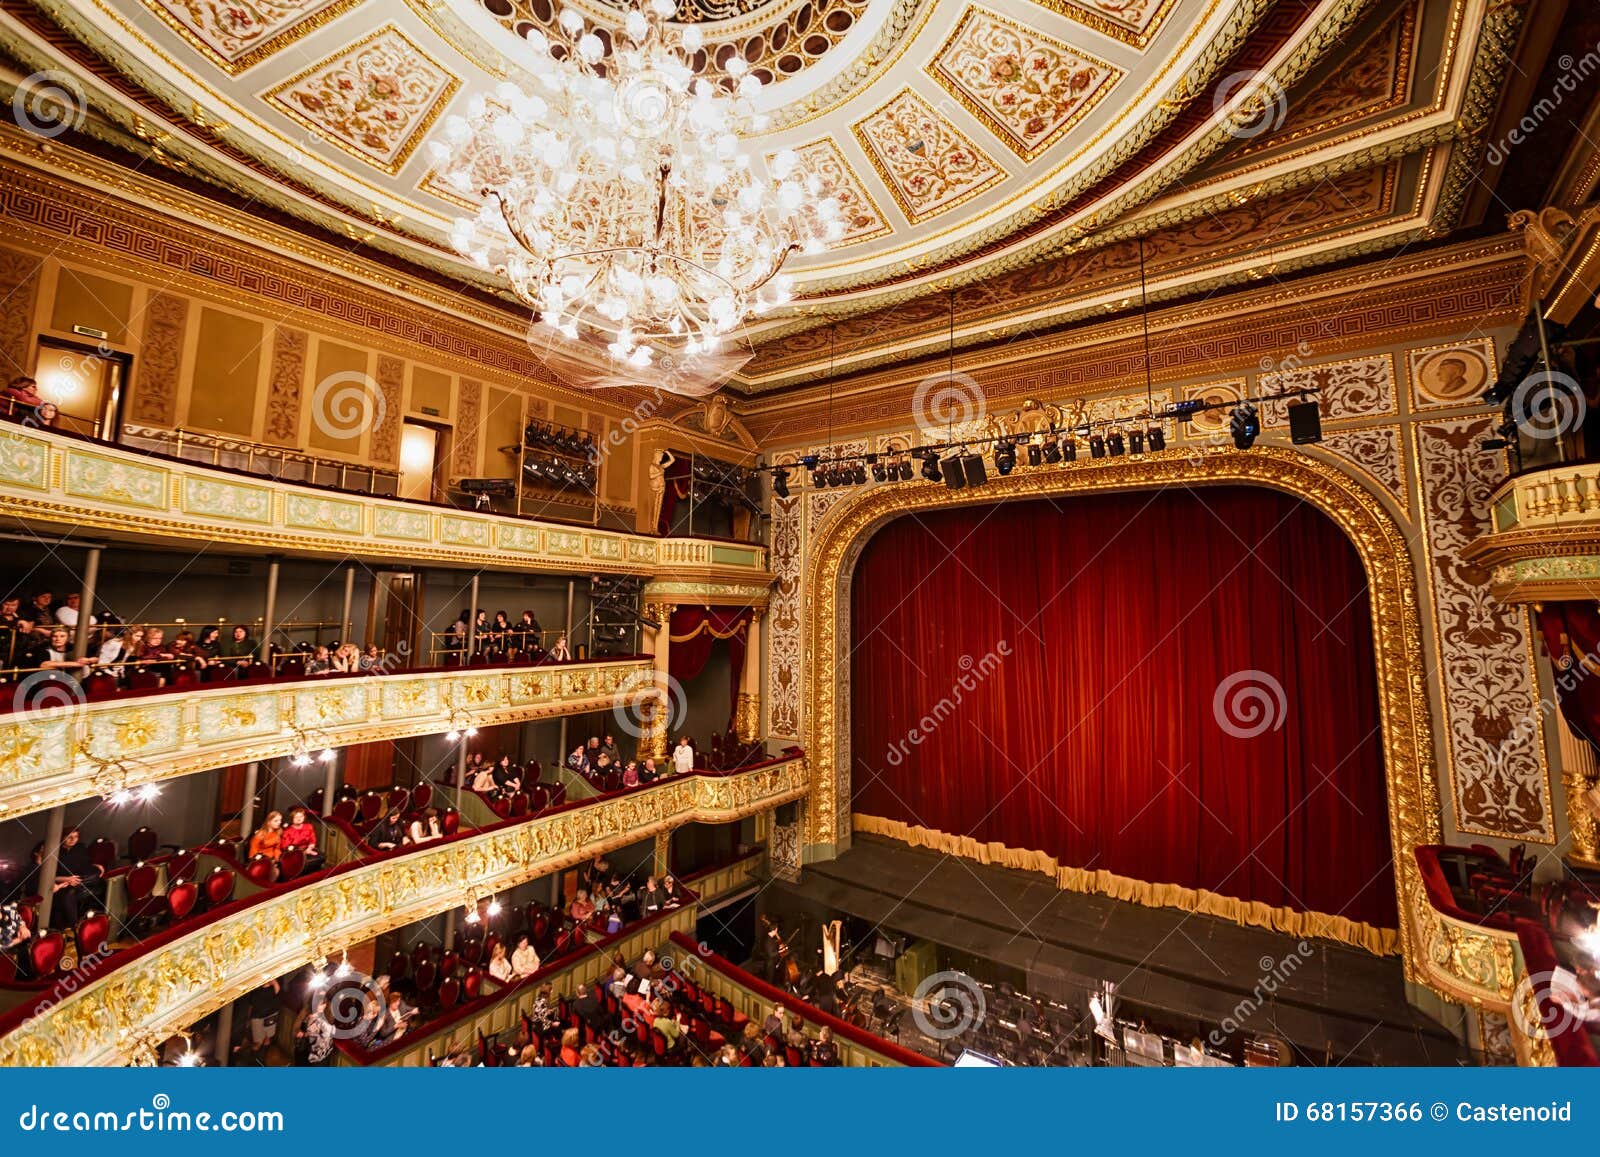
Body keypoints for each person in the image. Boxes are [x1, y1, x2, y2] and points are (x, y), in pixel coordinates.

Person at [294, 995, 336, 1066]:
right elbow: (297, 1027)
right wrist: (298, 1032)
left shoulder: (328, 1016)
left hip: (319, 1055)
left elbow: (327, 1035)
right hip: (304, 1050)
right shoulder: (307, 1012)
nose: (320, 1006)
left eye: (323, 1003)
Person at [244, 979, 280, 1058]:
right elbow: (251, 1004)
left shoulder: (270, 988)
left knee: (265, 1039)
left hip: (268, 1015)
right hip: (261, 1016)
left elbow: (251, 1004)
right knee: (259, 1041)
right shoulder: (256, 989)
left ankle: (260, 1058)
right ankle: (257, 1059)